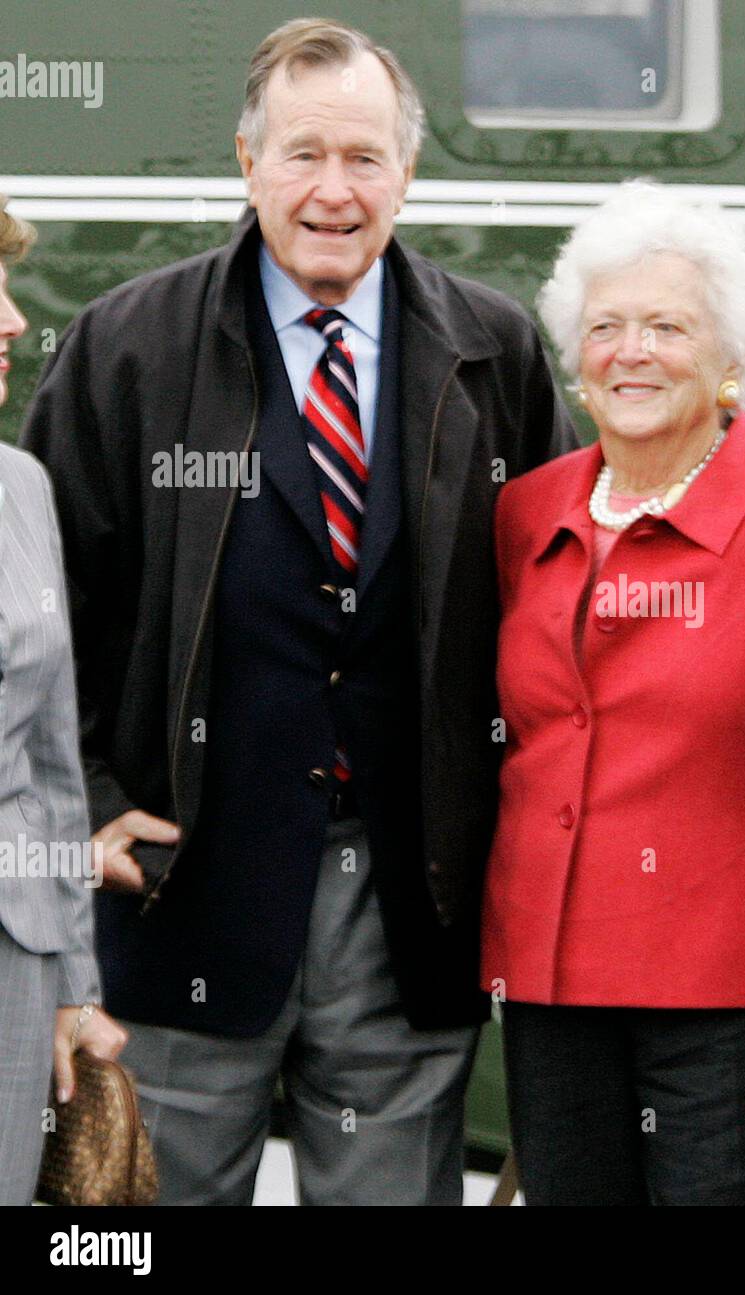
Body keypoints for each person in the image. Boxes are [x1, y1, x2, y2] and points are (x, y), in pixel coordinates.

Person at [22, 20, 573, 1205]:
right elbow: (40, 620)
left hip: (412, 916)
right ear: (247, 160)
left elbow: (556, 622)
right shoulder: (127, 349)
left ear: (407, 175)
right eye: (304, 154)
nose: (335, 190)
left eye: (365, 158)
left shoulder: (495, 352)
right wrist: (101, 807)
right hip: (179, 908)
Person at [483, 180, 745, 1205]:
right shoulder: (527, 513)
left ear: (732, 361)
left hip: (733, 1007)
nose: (632, 350)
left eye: (667, 325)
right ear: (575, 356)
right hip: (554, 993)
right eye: (605, 326)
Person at [0, 199, 127, 1205]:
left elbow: (50, 767)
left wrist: (75, 984)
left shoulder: (22, 489)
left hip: (15, 960)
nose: (10, 320)